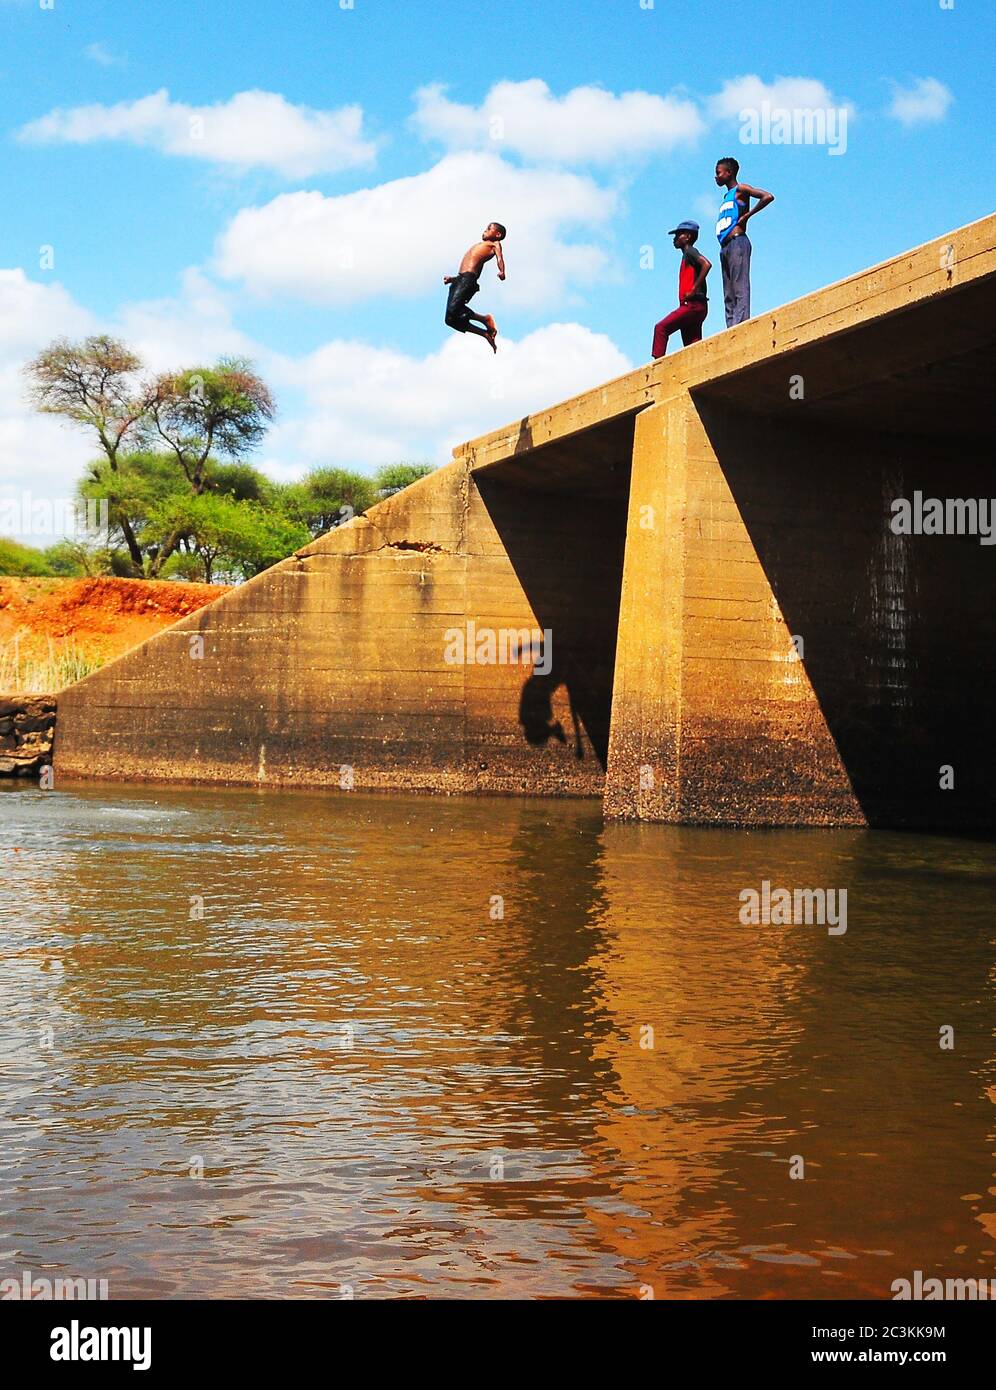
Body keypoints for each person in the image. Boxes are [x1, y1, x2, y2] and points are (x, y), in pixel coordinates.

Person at [714, 157, 774, 327]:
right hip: (725, 246)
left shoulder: (740, 189)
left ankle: (741, 325)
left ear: (729, 172)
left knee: (740, 286)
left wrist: (747, 215)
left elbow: (767, 196)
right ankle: (731, 326)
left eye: (718, 173)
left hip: (737, 242)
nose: (716, 177)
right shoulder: (727, 196)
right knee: (728, 291)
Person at [652, 220, 711, 358]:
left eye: (678, 235)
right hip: (697, 307)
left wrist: (693, 289)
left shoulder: (690, 252)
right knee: (693, 348)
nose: (675, 239)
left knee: (661, 328)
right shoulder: (687, 255)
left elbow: (706, 264)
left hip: (692, 305)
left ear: (688, 237)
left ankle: (656, 367)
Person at [444, 222, 507, 352]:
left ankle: (485, 319)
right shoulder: (481, 245)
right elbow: (471, 266)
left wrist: (501, 271)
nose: (484, 231)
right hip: (461, 279)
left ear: (498, 234)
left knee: (454, 308)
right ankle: (485, 333)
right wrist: (453, 279)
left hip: (468, 280)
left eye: (488, 229)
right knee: (450, 319)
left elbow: (500, 259)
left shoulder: (494, 244)